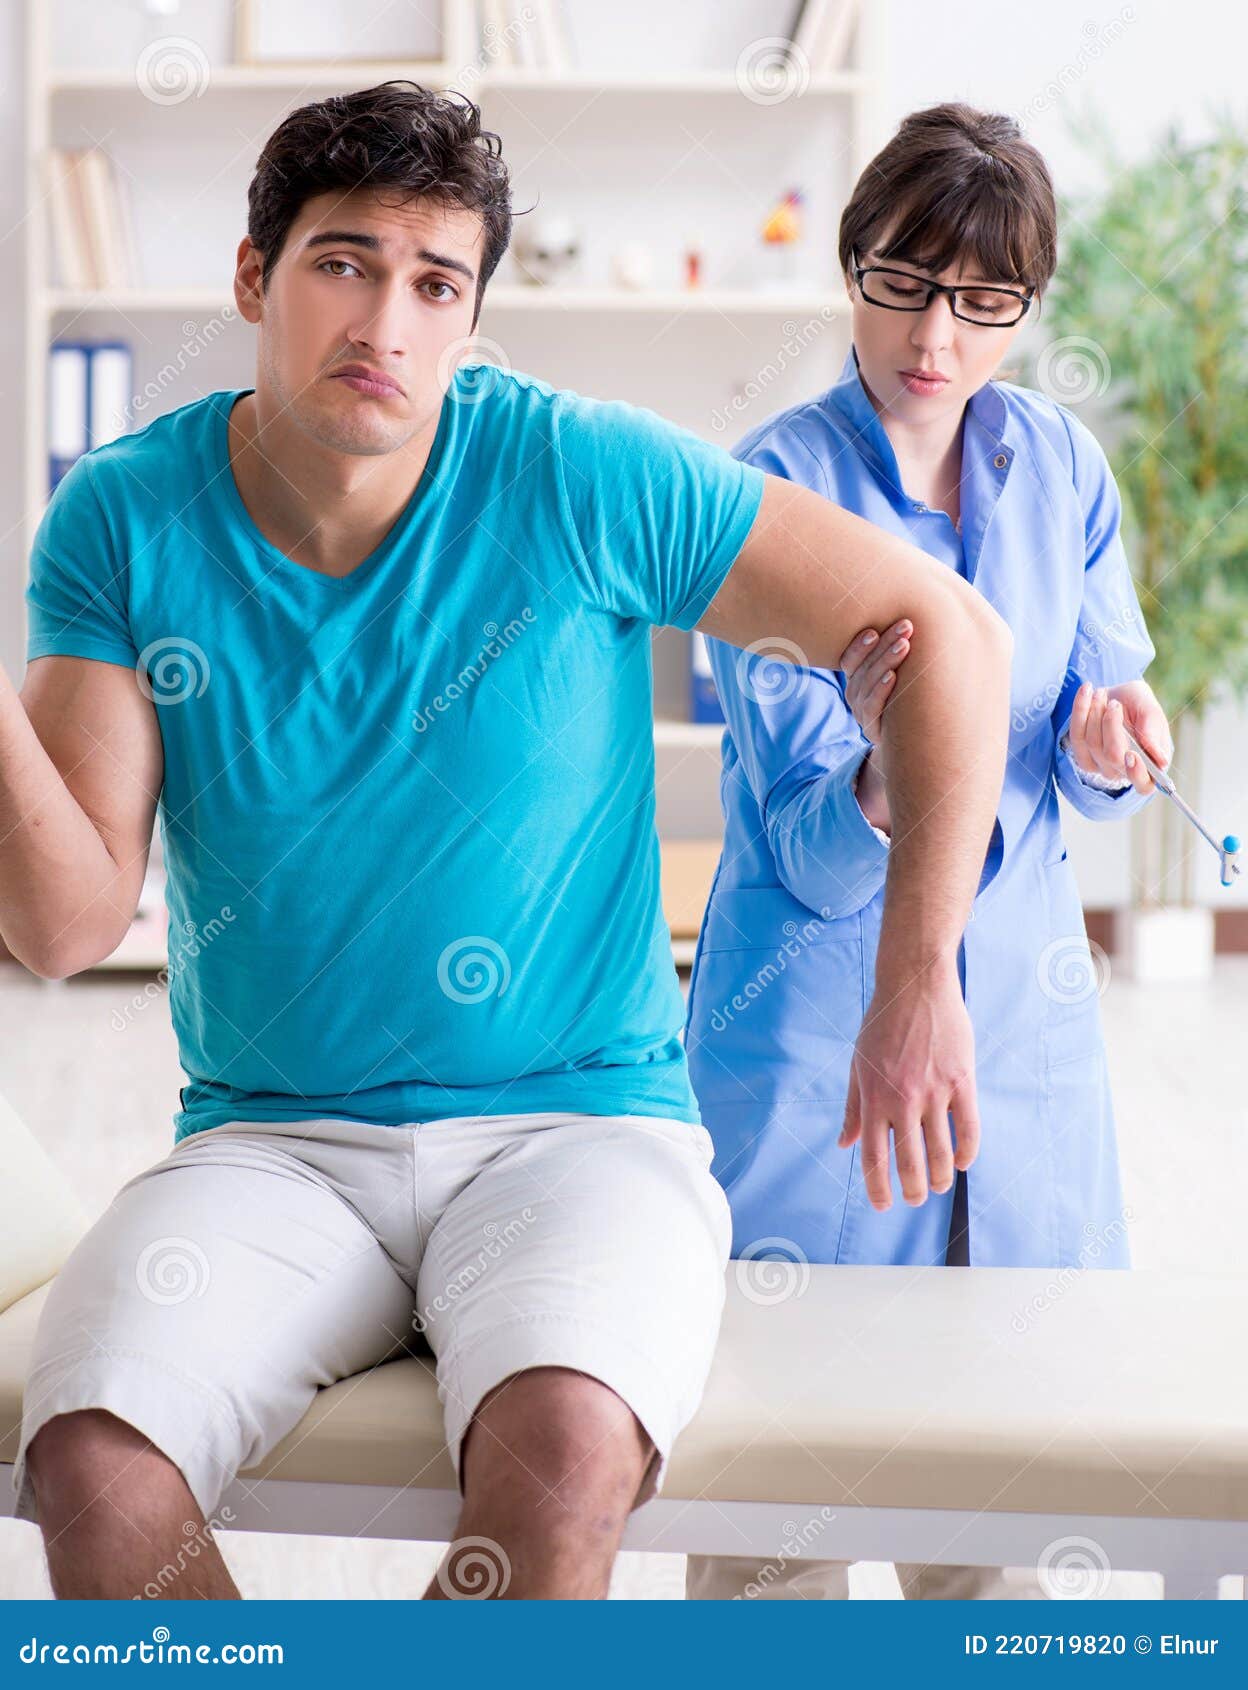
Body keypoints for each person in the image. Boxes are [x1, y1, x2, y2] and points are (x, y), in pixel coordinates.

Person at [1, 83, 1013, 1599]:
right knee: (90, 1462)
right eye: (343, 263)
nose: (386, 323)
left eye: (436, 284)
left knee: (558, 1460)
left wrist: (916, 975)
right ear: (252, 279)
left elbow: (950, 634)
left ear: (472, 315)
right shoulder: (124, 518)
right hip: (274, 1142)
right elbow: (67, 923)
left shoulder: (576, 470)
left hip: (579, 1129)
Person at [683, 103, 1172, 1602]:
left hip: (1019, 1038)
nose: (935, 335)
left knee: (1002, 1517)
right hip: (825, 1035)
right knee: (779, 1523)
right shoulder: (774, 486)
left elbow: (1086, 747)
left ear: (1024, 309)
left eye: (982, 302)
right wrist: (889, 780)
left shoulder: (1059, 468)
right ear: (852, 268)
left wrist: (1104, 751)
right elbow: (808, 836)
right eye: (902, 281)